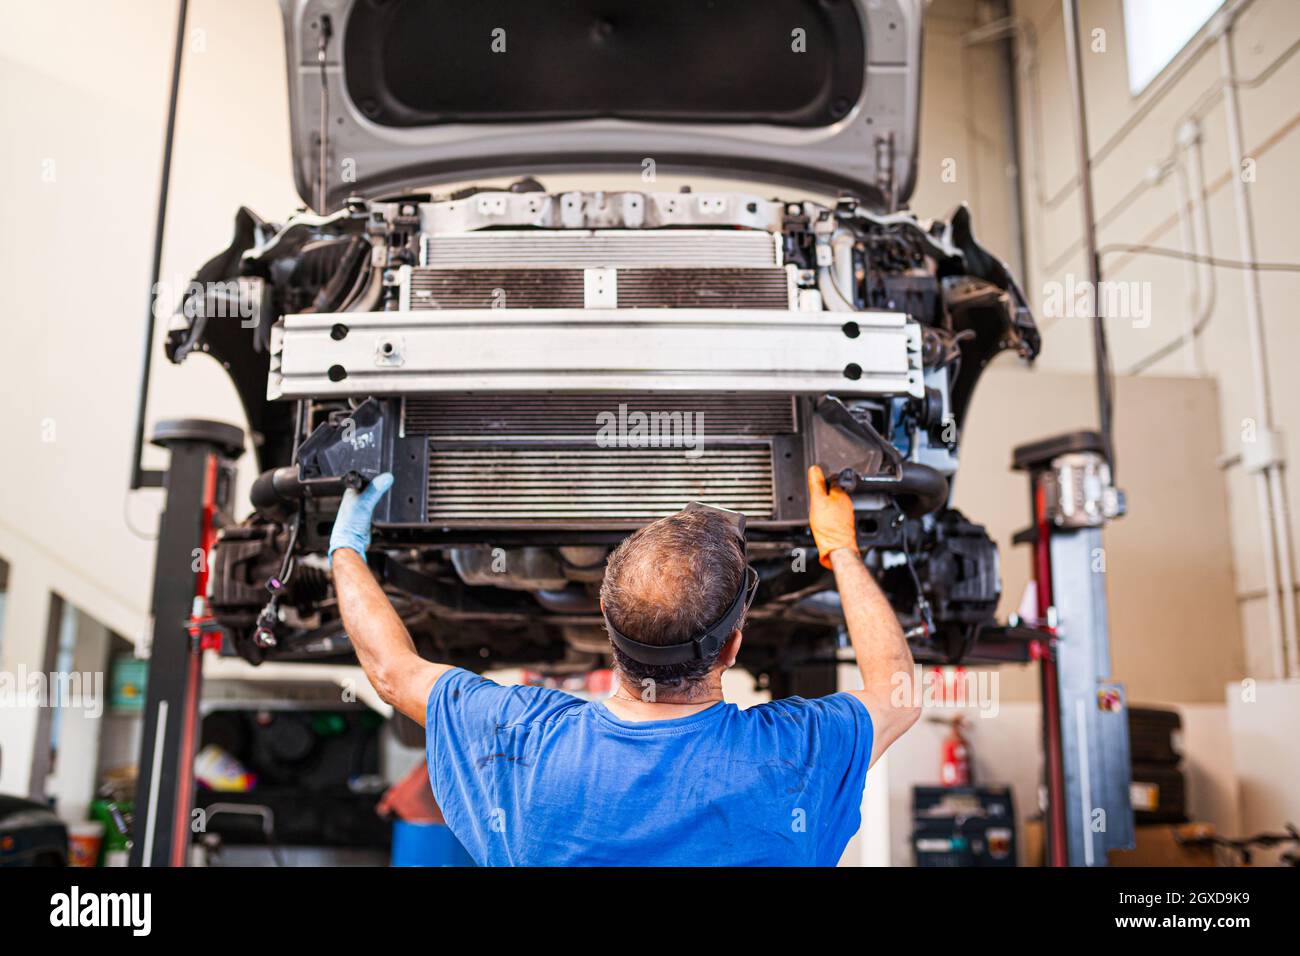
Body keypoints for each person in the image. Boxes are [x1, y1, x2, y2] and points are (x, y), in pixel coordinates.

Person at [329, 466, 920, 865]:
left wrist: (347, 548)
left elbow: (390, 670)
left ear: (603, 614)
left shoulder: (525, 738)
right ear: (733, 646)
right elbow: (898, 693)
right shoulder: (796, 755)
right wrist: (840, 549)